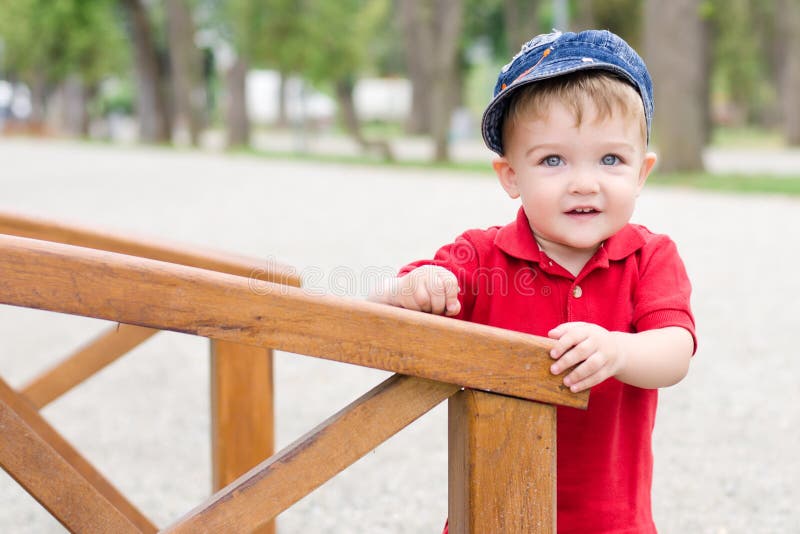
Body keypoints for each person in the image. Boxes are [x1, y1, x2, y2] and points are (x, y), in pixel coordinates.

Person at [370, 29, 696, 533]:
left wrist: (618, 350)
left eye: (611, 159)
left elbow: (675, 353)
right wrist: (417, 286)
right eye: (552, 160)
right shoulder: (482, 256)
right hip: (492, 515)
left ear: (641, 173)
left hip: (610, 521)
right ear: (510, 176)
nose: (584, 183)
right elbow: (379, 313)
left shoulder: (649, 257)